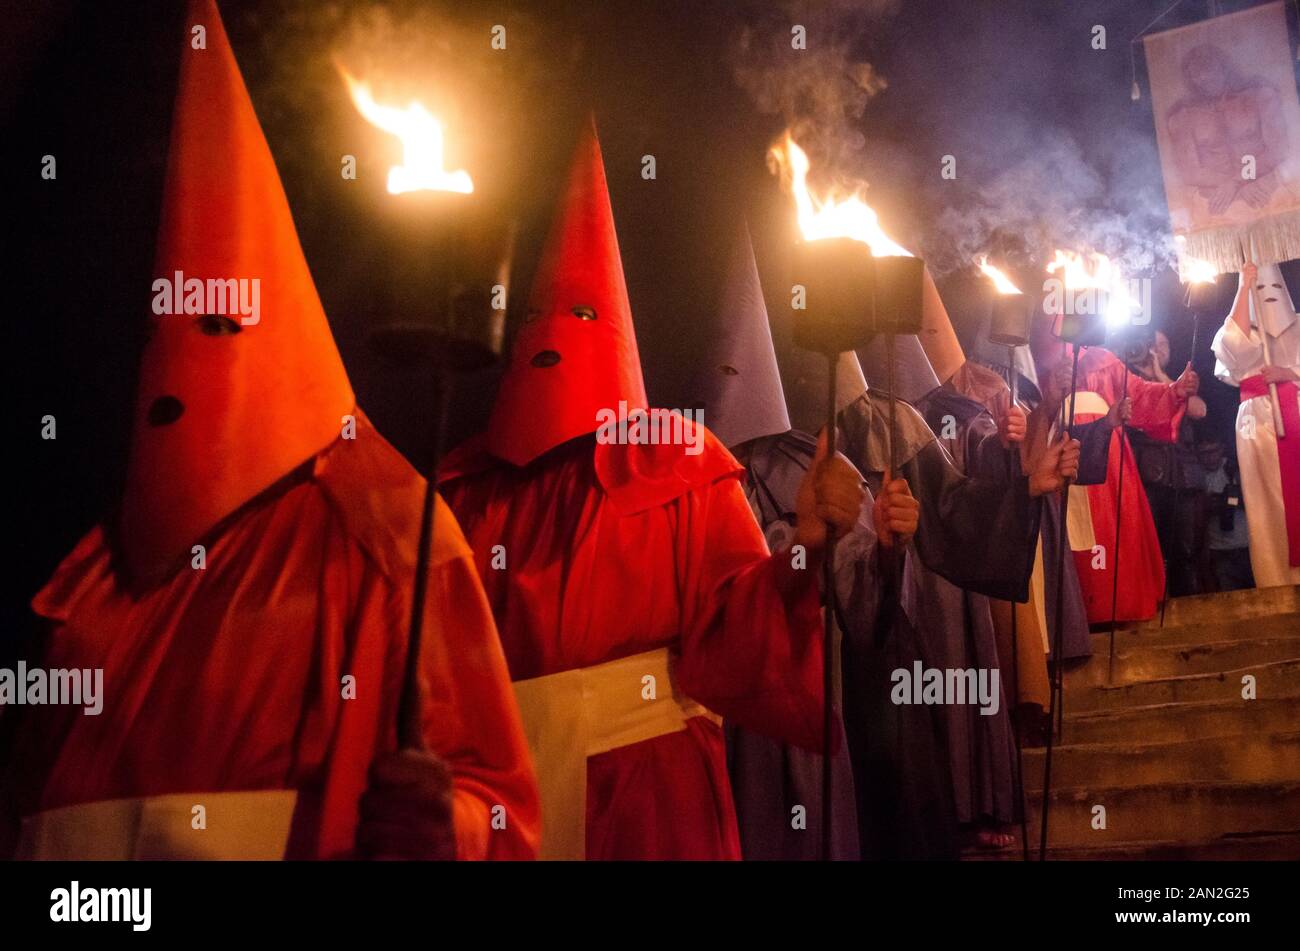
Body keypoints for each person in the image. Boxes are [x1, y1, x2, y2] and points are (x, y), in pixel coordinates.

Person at [0, 0, 538, 861]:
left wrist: (450, 827)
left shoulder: (394, 539)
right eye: (163, 335)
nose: (185, 367)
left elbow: (501, 808)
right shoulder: (90, 585)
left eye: (220, 329)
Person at [437, 121, 867, 860]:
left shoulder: (680, 462)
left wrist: (807, 551)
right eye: (540, 316)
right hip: (498, 803)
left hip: (647, 798)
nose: (555, 338)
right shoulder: (461, 489)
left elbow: (736, 636)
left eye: (579, 315)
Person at [681, 222, 912, 861]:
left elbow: (863, 604)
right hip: (719, 704)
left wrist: (886, 544)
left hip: (806, 683)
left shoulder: (810, 462)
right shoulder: (686, 477)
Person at [1030, 312, 1198, 624]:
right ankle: (1071, 615)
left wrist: (1174, 390)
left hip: (1108, 457)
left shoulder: (1103, 360)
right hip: (1055, 452)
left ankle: (1116, 606)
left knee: (1111, 529)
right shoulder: (1033, 361)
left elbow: (1140, 394)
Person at [1211, 262, 1300, 587]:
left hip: (1297, 415)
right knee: (1268, 504)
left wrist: (1289, 374)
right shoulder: (1244, 331)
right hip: (1258, 425)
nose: (1269, 296)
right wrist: (1244, 285)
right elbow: (1232, 345)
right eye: (1259, 291)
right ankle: (1277, 580)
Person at [1128, 328, 1209, 598]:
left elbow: (1199, 410)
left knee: (1186, 550)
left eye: (1163, 344)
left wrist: (1162, 380)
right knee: (1147, 547)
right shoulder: (1129, 383)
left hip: (1182, 476)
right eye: (1151, 344)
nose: (1156, 350)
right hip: (1146, 475)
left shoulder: (1181, 382)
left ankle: (1189, 607)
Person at [1200, 442, 1255, 591]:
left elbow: (1257, 501)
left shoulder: (1236, 469)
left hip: (1247, 547)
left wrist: (1233, 500)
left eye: (1213, 451)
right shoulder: (1197, 475)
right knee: (1228, 599)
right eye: (1204, 453)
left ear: (1221, 449)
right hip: (1219, 550)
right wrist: (1209, 505)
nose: (1209, 458)